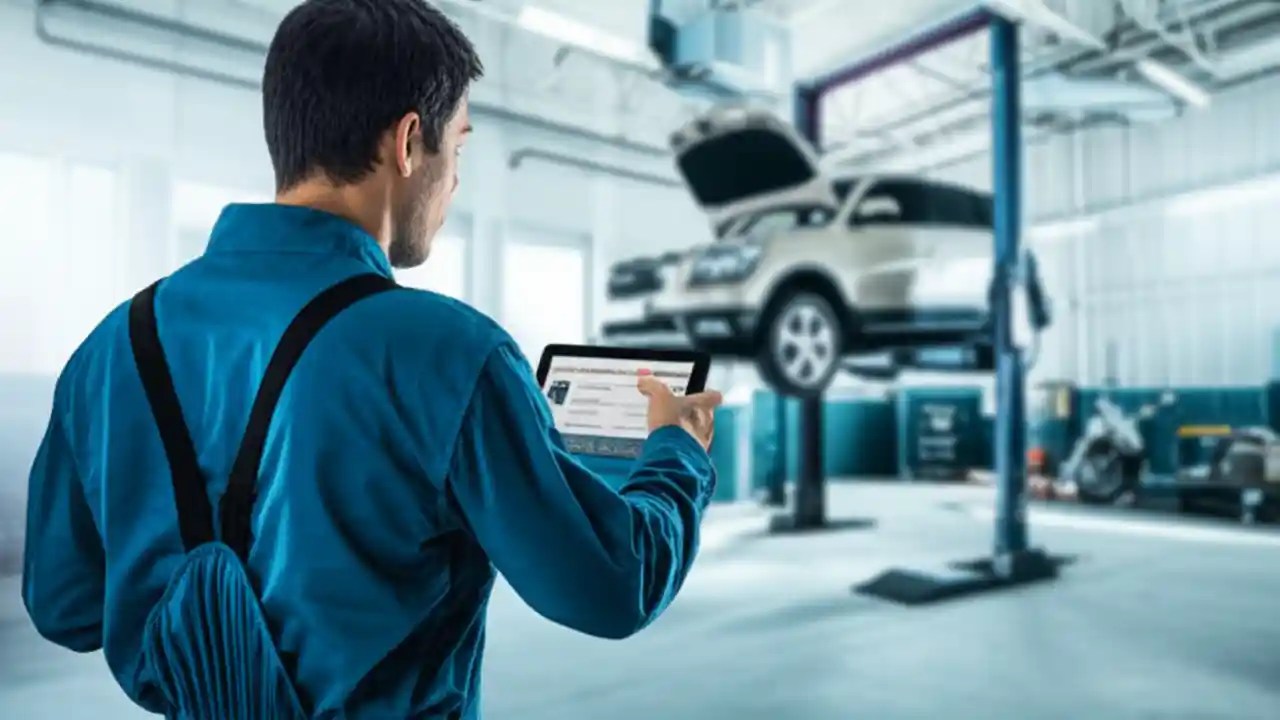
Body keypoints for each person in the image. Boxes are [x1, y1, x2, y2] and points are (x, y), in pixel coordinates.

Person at [20, 1, 723, 718]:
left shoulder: (111, 348)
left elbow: (66, 604)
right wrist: (676, 453)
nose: (455, 182)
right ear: (410, 141)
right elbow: (610, 586)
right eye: (460, 147)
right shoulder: (449, 354)